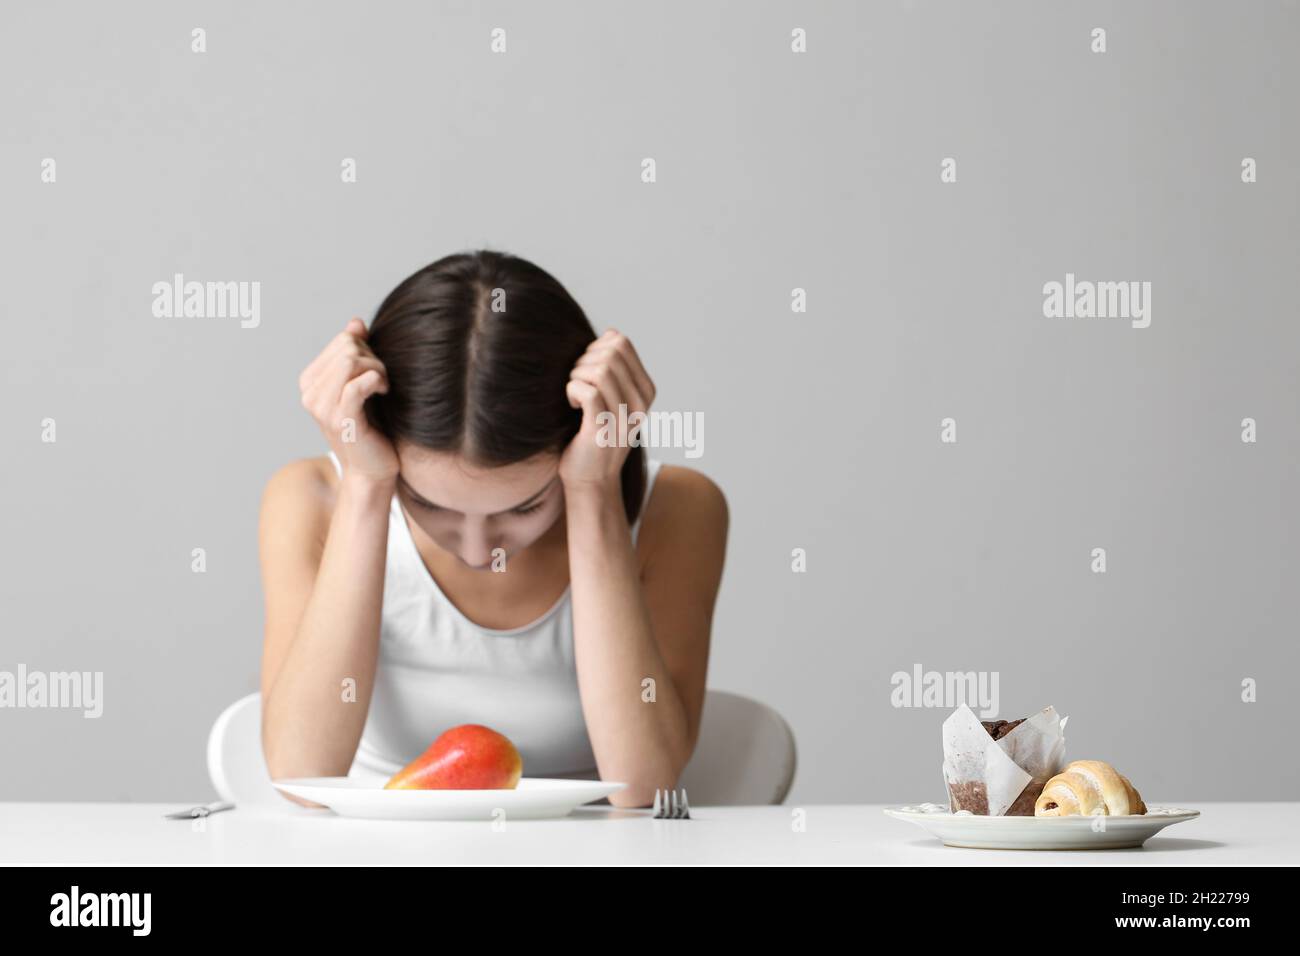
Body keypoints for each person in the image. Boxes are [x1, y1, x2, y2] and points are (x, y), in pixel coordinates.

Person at [257, 250, 729, 808]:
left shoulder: (679, 509)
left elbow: (646, 788)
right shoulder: (311, 499)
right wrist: (366, 488)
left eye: (524, 506)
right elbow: (303, 780)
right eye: (426, 504)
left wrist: (593, 493)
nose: (479, 550)